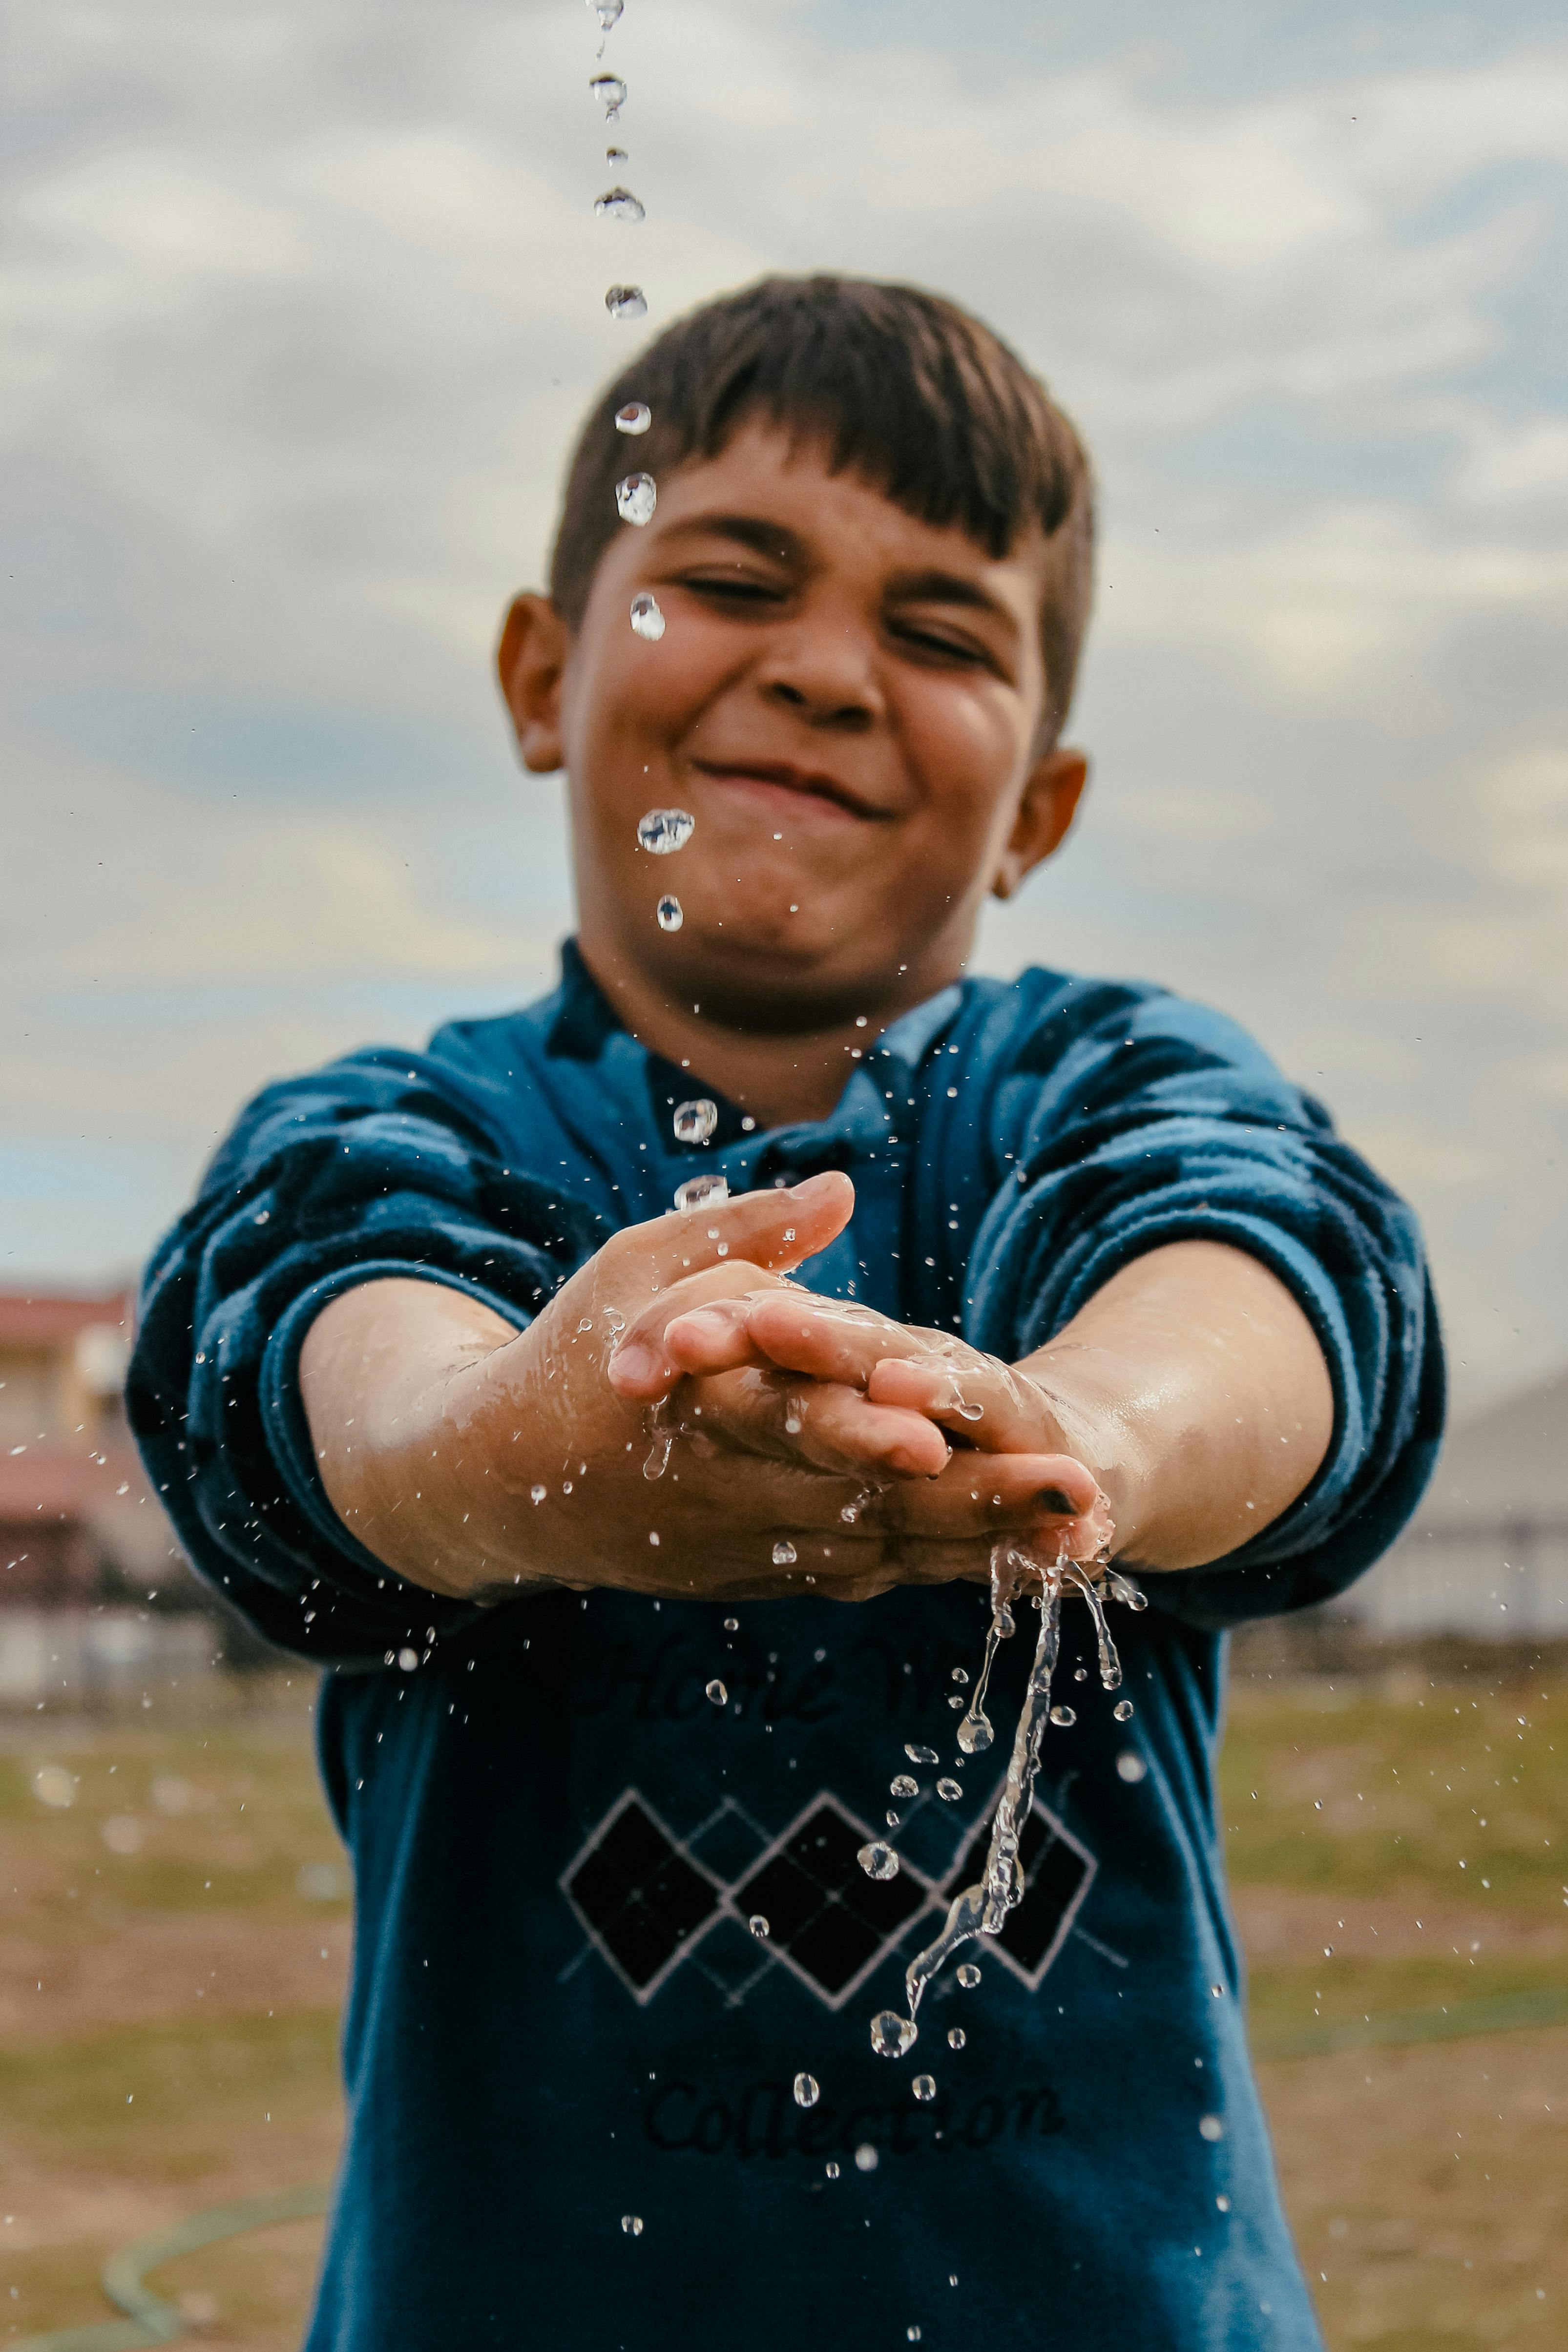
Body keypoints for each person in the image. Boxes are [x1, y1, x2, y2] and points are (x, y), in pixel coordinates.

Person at [127, 275, 1443, 2351]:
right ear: (543, 671)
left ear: (1038, 809)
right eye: (733, 576)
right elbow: (314, 1357)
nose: (828, 670)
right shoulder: (408, 1126)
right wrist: (511, 1450)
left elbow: (1267, 1264)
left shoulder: (1077, 1089)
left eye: (937, 632)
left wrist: (1086, 1429)